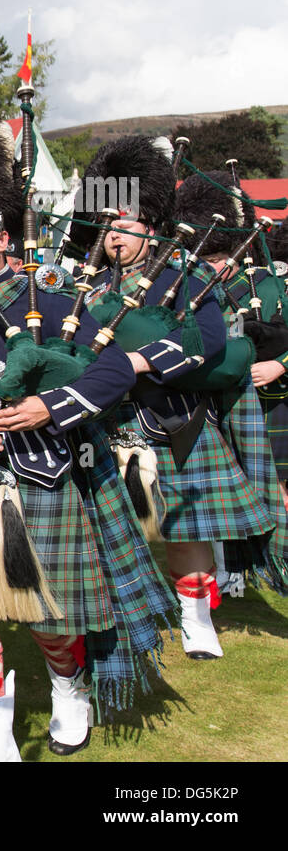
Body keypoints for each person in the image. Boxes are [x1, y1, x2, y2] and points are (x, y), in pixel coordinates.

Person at [0, 119, 175, 760]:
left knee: (50, 615)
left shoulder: (55, 300)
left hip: (42, 468)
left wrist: (50, 405)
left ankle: (68, 691)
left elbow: (112, 367)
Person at [81, 137, 280, 661]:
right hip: (108, 421)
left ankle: (196, 619)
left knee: (184, 526)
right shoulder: (93, 285)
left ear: (148, 223)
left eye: (124, 224)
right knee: (108, 528)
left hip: (176, 418)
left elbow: (209, 339)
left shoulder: (184, 272)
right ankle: (122, 614)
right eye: (107, 226)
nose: (115, 236)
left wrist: (139, 360)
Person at [174, 170, 288, 597]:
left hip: (270, 404)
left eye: (220, 258)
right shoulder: (187, 292)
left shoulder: (267, 286)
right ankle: (231, 572)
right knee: (221, 494)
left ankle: (272, 563)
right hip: (211, 403)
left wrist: (279, 365)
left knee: (273, 489)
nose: (213, 266)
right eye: (208, 258)